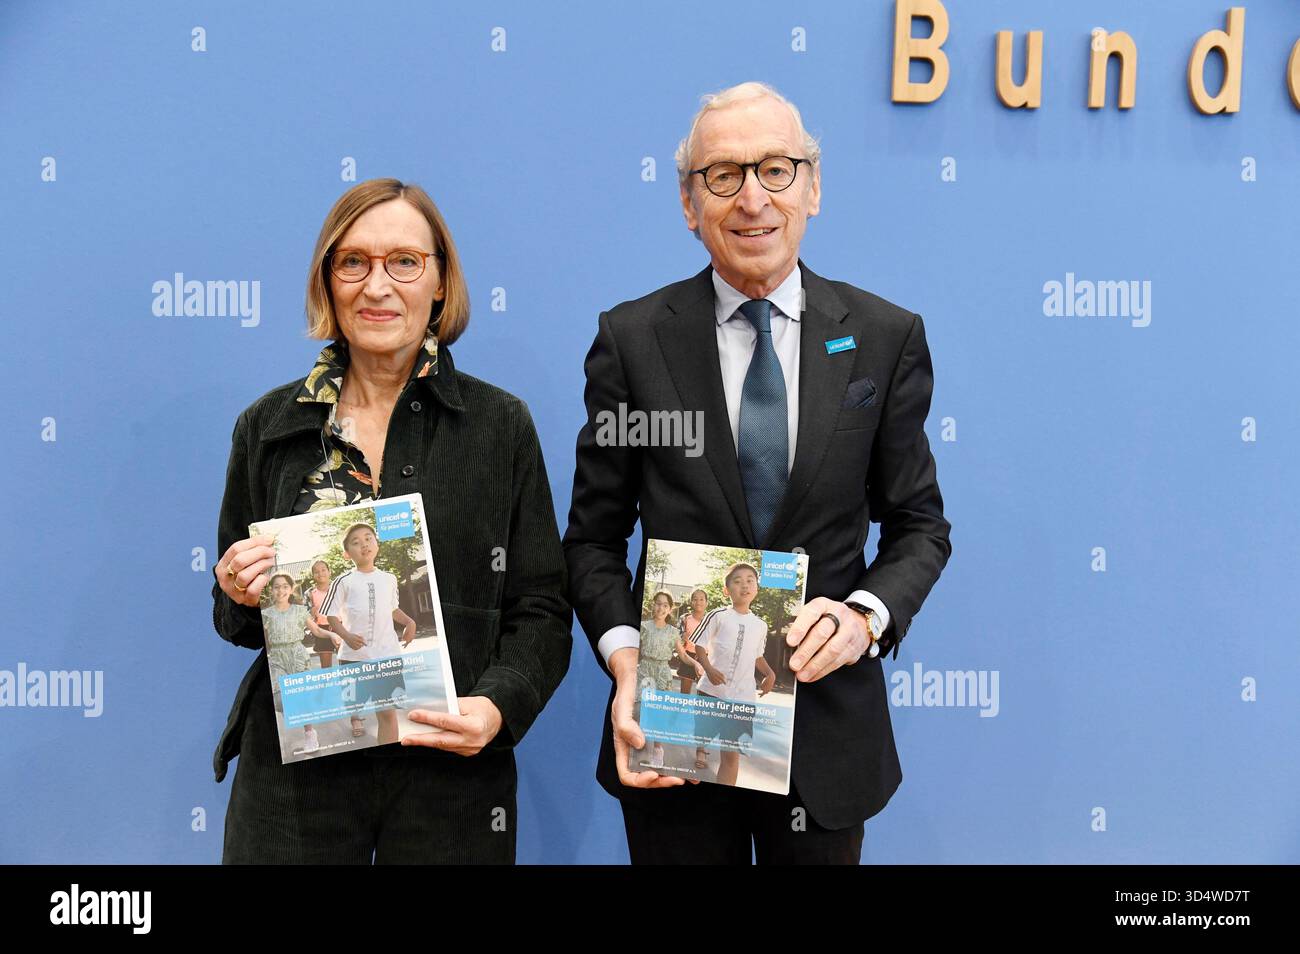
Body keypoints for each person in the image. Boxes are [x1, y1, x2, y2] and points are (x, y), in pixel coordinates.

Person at [563, 82, 952, 864]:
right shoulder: (632, 342)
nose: (752, 198)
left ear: (813, 188)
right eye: (724, 175)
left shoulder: (883, 339)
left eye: (776, 170)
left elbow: (919, 526)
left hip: (824, 738)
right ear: (688, 202)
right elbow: (592, 542)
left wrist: (864, 618)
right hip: (676, 732)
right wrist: (629, 659)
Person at [211, 177, 572, 864]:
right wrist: (236, 590)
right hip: (293, 781)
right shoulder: (267, 426)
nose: (377, 286)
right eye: (354, 262)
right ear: (328, 280)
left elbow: (543, 610)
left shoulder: (499, 425)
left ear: (440, 282)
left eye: (404, 261)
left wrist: (496, 707)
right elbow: (234, 620)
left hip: (449, 772)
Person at [321, 522, 417, 746]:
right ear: (347, 554)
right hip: (355, 658)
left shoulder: (389, 578)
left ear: (377, 545)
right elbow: (331, 616)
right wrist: (346, 636)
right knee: (354, 706)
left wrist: (409, 621)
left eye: (368, 538)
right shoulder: (343, 581)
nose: (364, 544)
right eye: (356, 542)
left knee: (387, 713)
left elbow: (392, 609)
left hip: (386, 656)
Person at [687, 563, 776, 787]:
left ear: (756, 588)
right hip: (711, 692)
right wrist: (709, 669)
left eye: (750, 580)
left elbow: (757, 656)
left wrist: (769, 673)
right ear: (726, 590)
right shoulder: (717, 615)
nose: (744, 585)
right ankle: (701, 750)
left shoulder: (761, 625)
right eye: (737, 581)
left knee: (731, 755)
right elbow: (699, 645)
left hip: (742, 699)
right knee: (703, 736)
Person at [261, 572, 332, 755]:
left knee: (300, 696)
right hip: (277, 657)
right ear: (271, 590)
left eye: (285, 586)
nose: (281, 590)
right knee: (279, 700)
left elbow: (317, 630)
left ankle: (310, 734)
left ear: (291, 589)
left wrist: (332, 634)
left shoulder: (299, 610)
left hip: (298, 655)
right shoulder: (265, 614)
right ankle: (299, 708)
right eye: (277, 587)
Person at [635, 590, 678, 769]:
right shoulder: (643, 626)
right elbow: (634, 649)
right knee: (639, 708)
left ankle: (658, 751)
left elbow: (683, 654)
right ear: (653, 605)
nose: (661, 608)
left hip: (662, 672)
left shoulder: (673, 631)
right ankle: (638, 741)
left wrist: (698, 664)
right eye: (658, 603)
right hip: (645, 668)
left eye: (665, 605)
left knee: (659, 712)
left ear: (670, 609)